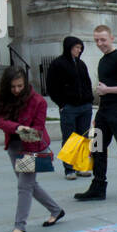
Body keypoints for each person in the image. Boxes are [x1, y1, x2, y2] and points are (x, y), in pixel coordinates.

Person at [0, 66, 63, 232]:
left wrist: (25, 131)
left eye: (19, 86)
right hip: (13, 146)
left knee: (24, 186)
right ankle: (56, 210)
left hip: (31, 147)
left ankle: (19, 226)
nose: (16, 90)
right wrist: (16, 128)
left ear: (25, 83)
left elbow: (38, 130)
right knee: (30, 184)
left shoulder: (38, 101)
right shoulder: (1, 98)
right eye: (12, 87)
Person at [75, 24, 117, 204]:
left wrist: (108, 90)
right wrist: (97, 115)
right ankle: (98, 186)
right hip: (103, 113)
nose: (100, 43)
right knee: (96, 148)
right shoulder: (103, 60)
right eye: (96, 40)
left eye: (103, 39)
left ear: (111, 38)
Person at [45, 35, 95, 181]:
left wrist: (89, 100)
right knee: (69, 138)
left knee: (83, 137)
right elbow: (51, 87)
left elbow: (87, 83)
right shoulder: (57, 64)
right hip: (69, 107)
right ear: (69, 47)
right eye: (76, 47)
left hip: (84, 106)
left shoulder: (81, 64)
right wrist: (61, 104)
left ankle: (81, 167)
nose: (79, 50)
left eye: (80, 48)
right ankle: (69, 169)